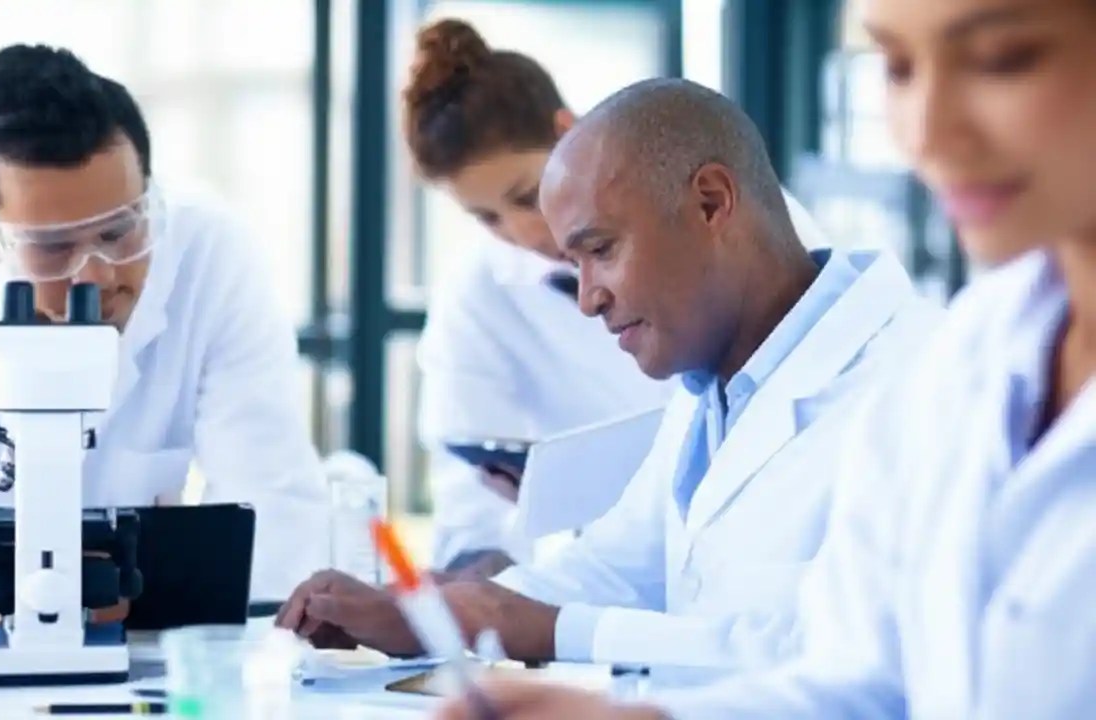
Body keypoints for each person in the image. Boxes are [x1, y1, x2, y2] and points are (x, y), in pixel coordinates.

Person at [436, 0, 1096, 717]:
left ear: (713, 202)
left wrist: (562, 631)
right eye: (898, 68)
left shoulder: (909, 364)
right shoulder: (967, 365)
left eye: (1003, 60)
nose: (926, 135)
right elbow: (866, 681)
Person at [278, 77, 938, 671]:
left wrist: (545, 630)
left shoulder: (919, 389)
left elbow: (853, 650)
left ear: (710, 202)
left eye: (601, 251)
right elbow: (617, 570)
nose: (588, 296)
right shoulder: (713, 383)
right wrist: (427, 617)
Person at [0, 44, 330, 632]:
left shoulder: (213, 260)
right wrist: (3, 601)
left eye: (118, 232)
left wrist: (144, 598)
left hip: (160, 647)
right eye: (55, 247)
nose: (98, 276)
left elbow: (278, 517)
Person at [406, 19, 829, 575]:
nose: (529, 236)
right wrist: (482, 582)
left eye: (528, 197)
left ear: (568, 132)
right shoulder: (476, 297)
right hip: (613, 571)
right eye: (488, 219)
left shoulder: (755, 230)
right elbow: (470, 504)